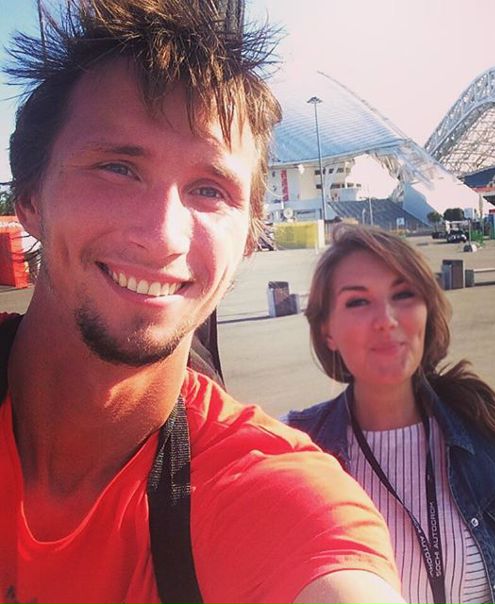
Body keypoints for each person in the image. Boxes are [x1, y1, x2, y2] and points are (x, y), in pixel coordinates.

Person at [0, 2, 404, 603]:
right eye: (117, 168)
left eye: (209, 190)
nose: (162, 236)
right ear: (30, 197)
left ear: (249, 239)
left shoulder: (268, 493)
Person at [284, 224, 495, 604]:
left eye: (403, 294)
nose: (386, 319)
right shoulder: (296, 449)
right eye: (358, 301)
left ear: (427, 312)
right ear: (326, 330)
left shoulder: (485, 418)